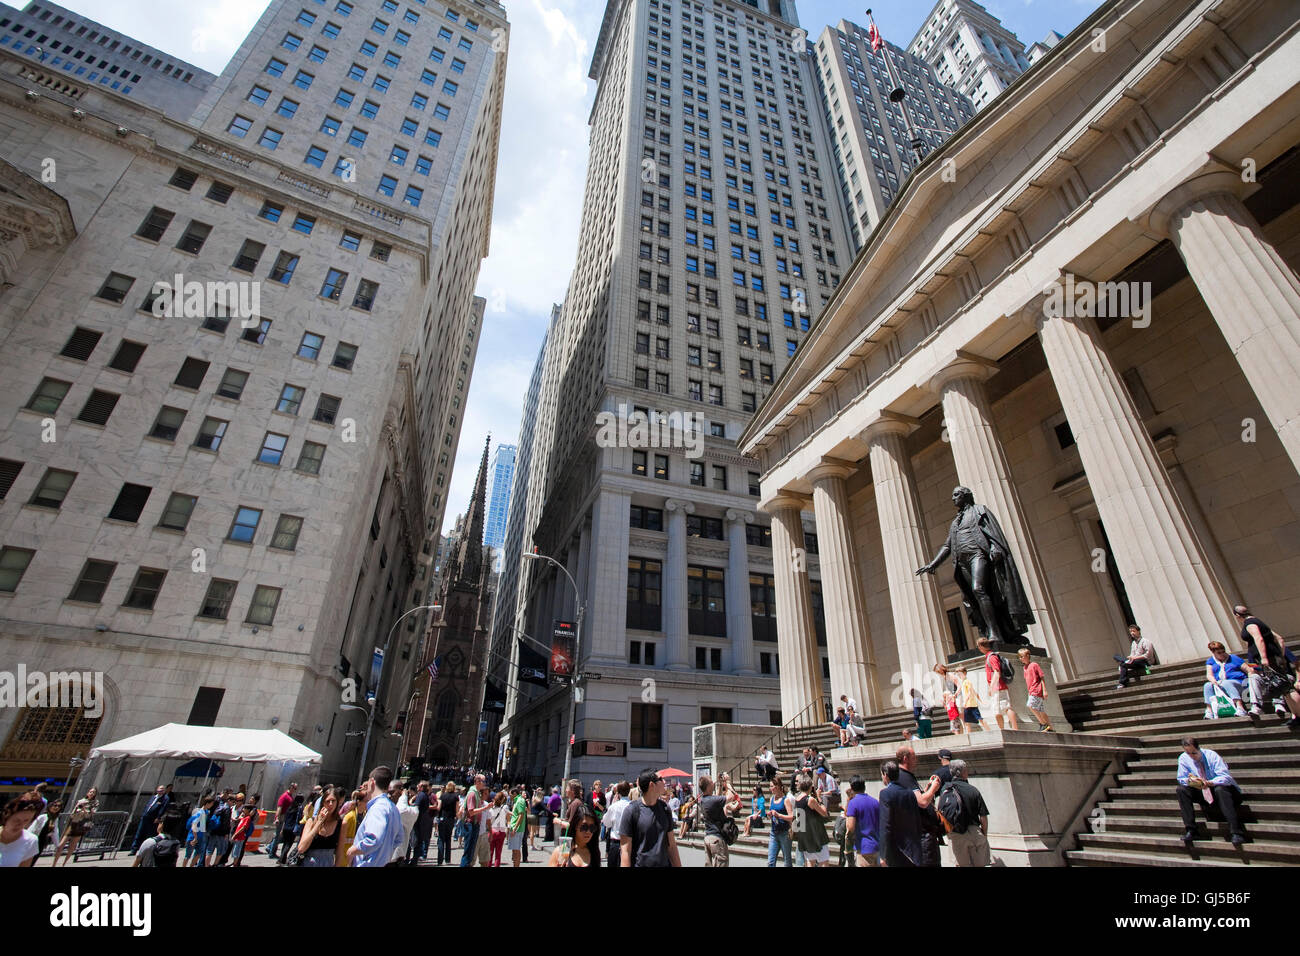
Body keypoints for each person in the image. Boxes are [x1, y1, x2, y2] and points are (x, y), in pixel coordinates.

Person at [1234, 605, 1300, 728]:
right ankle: (1295, 716)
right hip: (1272, 658)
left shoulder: (1250, 623)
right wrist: (1281, 655)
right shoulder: (1259, 621)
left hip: (1268, 660)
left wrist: (1264, 657)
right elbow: (1279, 639)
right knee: (1283, 688)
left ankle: (1298, 715)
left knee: (1287, 688)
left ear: (1237, 615)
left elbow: (1259, 639)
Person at [1177, 737, 1246, 846]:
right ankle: (1191, 830)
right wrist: (1196, 782)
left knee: (1220, 789)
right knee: (1181, 790)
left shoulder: (1211, 756)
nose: (1191, 756)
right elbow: (1181, 778)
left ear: (1199, 749)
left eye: (1194, 753)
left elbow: (1225, 777)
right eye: (1188, 753)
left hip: (1223, 790)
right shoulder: (1183, 758)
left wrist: (1210, 783)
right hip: (1203, 790)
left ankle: (1236, 831)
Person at [878, 760, 941, 868]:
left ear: (885, 775)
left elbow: (886, 825)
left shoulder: (885, 794)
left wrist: (883, 854)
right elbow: (916, 821)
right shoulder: (910, 793)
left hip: (896, 850)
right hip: (913, 849)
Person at [896, 746, 945, 867]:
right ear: (905, 758)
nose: (916, 760)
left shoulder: (905, 776)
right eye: (914, 757)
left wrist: (927, 789)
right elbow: (922, 802)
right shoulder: (904, 777)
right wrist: (934, 788)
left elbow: (916, 799)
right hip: (922, 837)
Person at [620, 769, 681, 867]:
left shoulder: (665, 808)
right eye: (661, 779)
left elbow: (672, 846)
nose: (664, 782)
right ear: (652, 785)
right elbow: (625, 850)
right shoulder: (631, 811)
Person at [349, 766, 405, 867]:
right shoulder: (392, 808)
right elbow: (399, 838)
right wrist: (384, 852)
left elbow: (373, 840)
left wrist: (353, 850)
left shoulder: (378, 808)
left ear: (372, 782)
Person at [940, 760, 991, 867]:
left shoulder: (945, 789)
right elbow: (983, 817)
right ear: (962, 772)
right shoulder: (973, 790)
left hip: (956, 833)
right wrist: (984, 834)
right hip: (974, 832)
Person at [697, 775, 741, 867]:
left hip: (709, 837)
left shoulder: (705, 800)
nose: (713, 783)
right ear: (708, 786)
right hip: (717, 838)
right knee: (721, 863)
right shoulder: (711, 800)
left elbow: (717, 799)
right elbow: (731, 797)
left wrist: (721, 784)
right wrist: (728, 782)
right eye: (711, 782)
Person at [297, 785, 344, 867]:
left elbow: (340, 852)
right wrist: (318, 823)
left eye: (333, 801)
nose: (330, 804)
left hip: (328, 862)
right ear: (322, 803)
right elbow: (301, 848)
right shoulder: (311, 821)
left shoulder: (340, 823)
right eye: (327, 801)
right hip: (310, 862)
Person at [979, 637, 1020, 730]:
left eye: (979, 647)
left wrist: (991, 687)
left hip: (999, 687)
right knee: (996, 711)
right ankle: (1002, 730)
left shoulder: (992, 657)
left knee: (1006, 707)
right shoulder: (989, 657)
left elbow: (997, 672)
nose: (979, 649)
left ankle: (1015, 728)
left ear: (982, 646)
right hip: (995, 688)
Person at [792, 774, 832, 867]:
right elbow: (824, 813)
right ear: (810, 786)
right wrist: (819, 798)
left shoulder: (797, 799)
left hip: (805, 835)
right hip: (816, 834)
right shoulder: (810, 800)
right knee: (824, 861)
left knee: (810, 861)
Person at [52, 787, 97, 866]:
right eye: (90, 791)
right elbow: (73, 813)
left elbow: (91, 814)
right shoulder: (81, 801)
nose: (91, 793)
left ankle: (64, 864)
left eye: (93, 792)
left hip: (81, 825)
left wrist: (84, 810)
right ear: (87, 793)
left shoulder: (95, 803)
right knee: (60, 846)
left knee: (72, 847)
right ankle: (54, 864)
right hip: (74, 823)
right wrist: (78, 808)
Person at [1202, 641, 1249, 718]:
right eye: (1219, 653)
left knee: (1226, 683)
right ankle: (1209, 710)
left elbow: (1248, 669)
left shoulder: (1233, 658)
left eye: (1223, 651)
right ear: (1213, 653)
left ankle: (1240, 707)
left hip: (1238, 683)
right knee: (1207, 685)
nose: (1222, 654)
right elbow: (1209, 675)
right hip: (1221, 685)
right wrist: (1213, 681)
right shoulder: (1210, 661)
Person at [844, 775, 880, 867]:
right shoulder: (875, 802)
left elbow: (850, 827)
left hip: (863, 847)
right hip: (877, 845)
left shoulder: (853, 803)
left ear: (852, 788)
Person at [1015, 647, 1054, 731]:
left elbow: (1042, 678)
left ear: (1028, 656)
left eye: (1022, 656)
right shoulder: (1025, 668)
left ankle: (1043, 724)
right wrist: (1029, 692)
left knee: (1030, 706)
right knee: (1041, 710)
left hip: (1037, 690)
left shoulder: (1034, 665)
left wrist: (1044, 690)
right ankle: (1050, 727)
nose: (1021, 659)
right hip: (1032, 691)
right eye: (1019, 657)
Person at [1, 796, 43, 867]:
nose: (20, 824)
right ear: (7, 816)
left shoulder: (31, 840)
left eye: (26, 820)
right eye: (17, 820)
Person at [131, 784, 173, 854]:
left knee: (149, 834)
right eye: (160, 789)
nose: (160, 790)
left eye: (162, 789)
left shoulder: (165, 798)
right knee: (139, 833)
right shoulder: (154, 797)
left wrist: (158, 817)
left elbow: (163, 808)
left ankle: (147, 849)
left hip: (153, 819)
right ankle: (134, 849)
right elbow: (148, 805)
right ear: (157, 789)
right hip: (145, 817)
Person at [1115, 623, 1155, 689]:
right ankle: (1122, 683)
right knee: (1118, 659)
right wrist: (1130, 659)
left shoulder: (1145, 641)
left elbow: (1148, 655)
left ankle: (1122, 682)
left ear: (1138, 631)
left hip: (1145, 662)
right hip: (1135, 662)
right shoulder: (1133, 643)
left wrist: (1134, 658)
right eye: (1130, 631)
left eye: (1133, 631)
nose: (1132, 633)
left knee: (1125, 662)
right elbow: (1132, 654)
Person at [603, 781, 631, 867]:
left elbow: (606, 823)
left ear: (618, 793)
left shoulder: (614, 806)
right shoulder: (634, 806)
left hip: (616, 842)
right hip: (630, 843)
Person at [268, 781, 298, 860]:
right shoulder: (284, 796)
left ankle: (269, 847)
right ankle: (271, 853)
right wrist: (277, 818)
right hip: (281, 817)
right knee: (278, 835)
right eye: (294, 788)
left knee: (280, 835)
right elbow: (279, 807)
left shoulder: (290, 796)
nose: (295, 790)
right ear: (291, 787)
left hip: (286, 817)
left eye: (296, 789)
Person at [183, 795, 214, 868]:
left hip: (200, 836)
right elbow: (194, 825)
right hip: (193, 837)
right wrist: (195, 838)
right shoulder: (200, 813)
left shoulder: (206, 812)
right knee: (188, 855)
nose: (212, 805)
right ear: (207, 803)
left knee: (198, 854)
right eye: (211, 803)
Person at [435, 783, 458, 865]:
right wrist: (457, 816)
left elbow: (439, 807)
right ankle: (447, 859)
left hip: (442, 818)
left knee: (441, 839)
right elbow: (456, 809)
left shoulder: (443, 796)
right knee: (448, 839)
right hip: (451, 818)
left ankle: (439, 860)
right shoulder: (456, 796)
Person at [956, 667, 985, 731]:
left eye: (960, 674)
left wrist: (965, 702)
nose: (959, 676)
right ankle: (968, 735)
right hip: (968, 705)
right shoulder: (964, 682)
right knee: (967, 721)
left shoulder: (967, 682)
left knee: (979, 719)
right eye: (958, 674)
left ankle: (988, 730)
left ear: (965, 673)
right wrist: (980, 700)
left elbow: (970, 692)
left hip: (971, 704)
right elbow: (974, 692)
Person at [507, 786, 528, 867]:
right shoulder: (518, 801)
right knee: (515, 850)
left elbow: (521, 815)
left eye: (510, 795)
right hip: (516, 829)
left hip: (517, 829)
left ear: (514, 794)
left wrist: (515, 828)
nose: (509, 797)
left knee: (516, 850)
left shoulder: (519, 801)